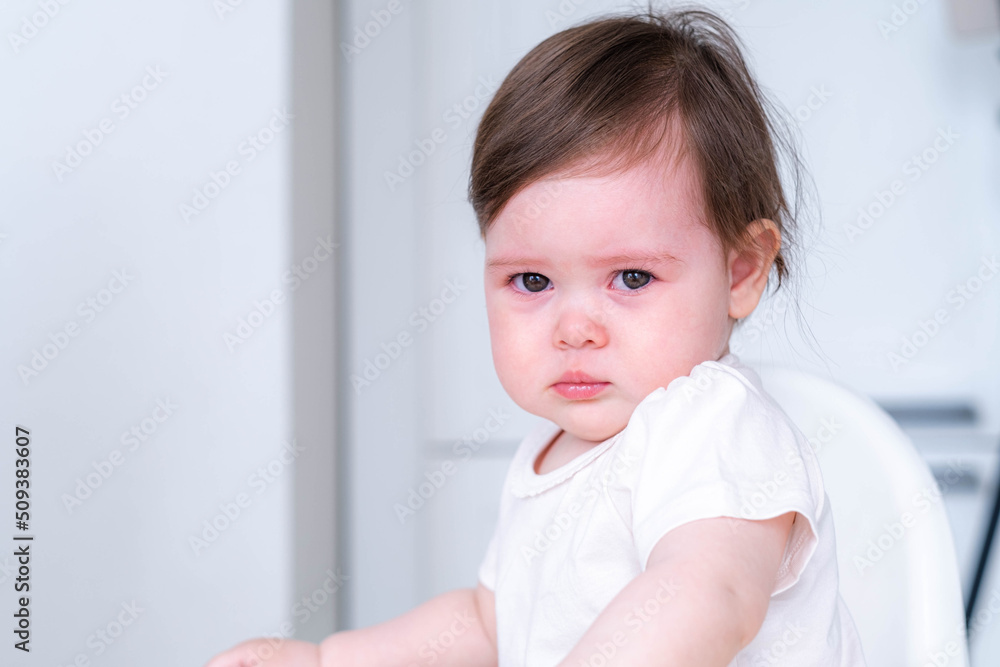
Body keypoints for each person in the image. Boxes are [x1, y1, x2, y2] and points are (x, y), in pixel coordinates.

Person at [205, 3, 868, 665]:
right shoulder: (555, 452)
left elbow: (704, 593)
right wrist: (328, 658)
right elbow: (489, 624)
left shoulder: (712, 423)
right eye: (531, 282)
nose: (574, 328)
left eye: (632, 277)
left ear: (741, 269)